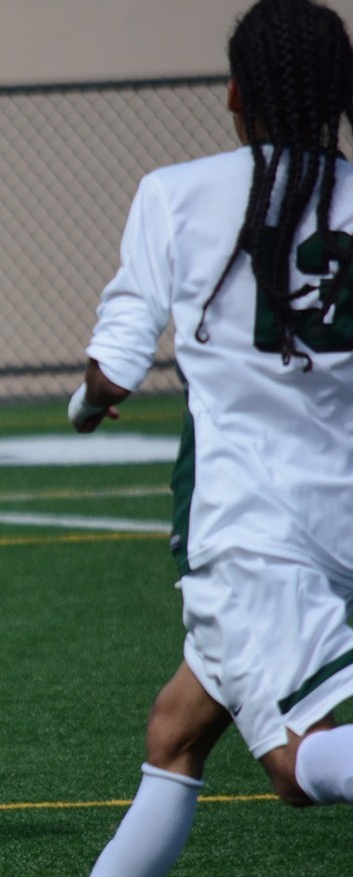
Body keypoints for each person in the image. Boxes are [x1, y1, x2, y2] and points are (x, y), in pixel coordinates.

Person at [71, 1, 353, 873]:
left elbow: (114, 365)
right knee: (176, 731)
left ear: (236, 94)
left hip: (257, 533)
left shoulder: (178, 194)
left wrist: (87, 403)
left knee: (293, 764)